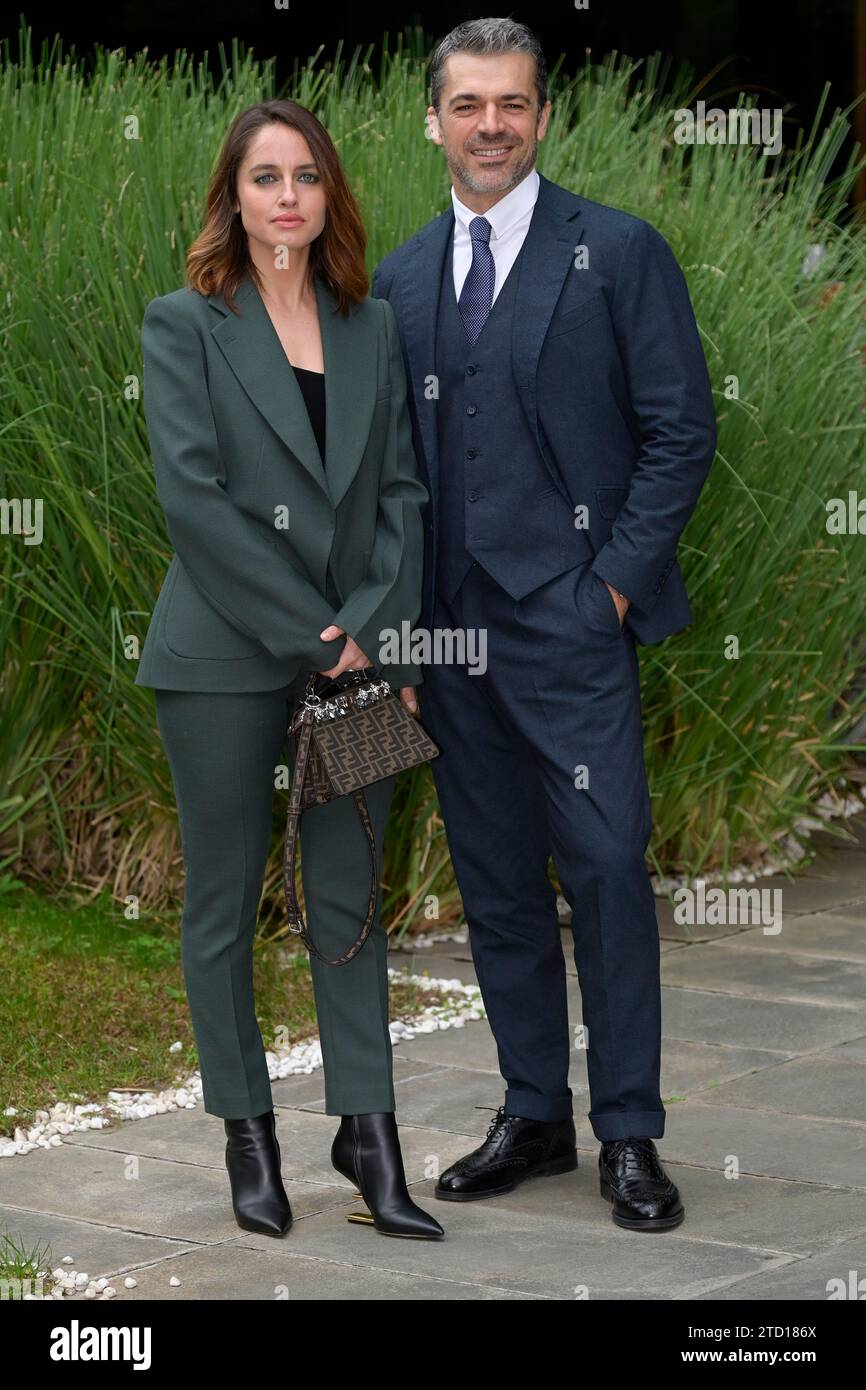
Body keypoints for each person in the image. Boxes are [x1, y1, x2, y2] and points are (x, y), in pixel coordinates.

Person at [373, 18, 717, 1230]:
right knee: (498, 882)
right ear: (433, 120)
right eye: (465, 104)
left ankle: (629, 1130)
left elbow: (682, 432)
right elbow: (388, 477)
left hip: (569, 627)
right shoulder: (402, 277)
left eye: (510, 104)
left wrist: (608, 589)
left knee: (610, 868)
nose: (488, 126)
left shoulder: (615, 252)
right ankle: (532, 1115)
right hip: (450, 641)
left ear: (540, 118)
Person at [135, 98, 442, 1242]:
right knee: (221, 904)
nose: (286, 198)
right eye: (264, 177)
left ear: (328, 197)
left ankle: (369, 1138)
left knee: (349, 905)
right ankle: (247, 1138)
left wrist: (372, 633)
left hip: (360, 654)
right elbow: (194, 504)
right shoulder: (185, 323)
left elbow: (402, 496)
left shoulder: (369, 323)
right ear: (234, 194)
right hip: (221, 656)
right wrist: (321, 637)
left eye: (305, 177)